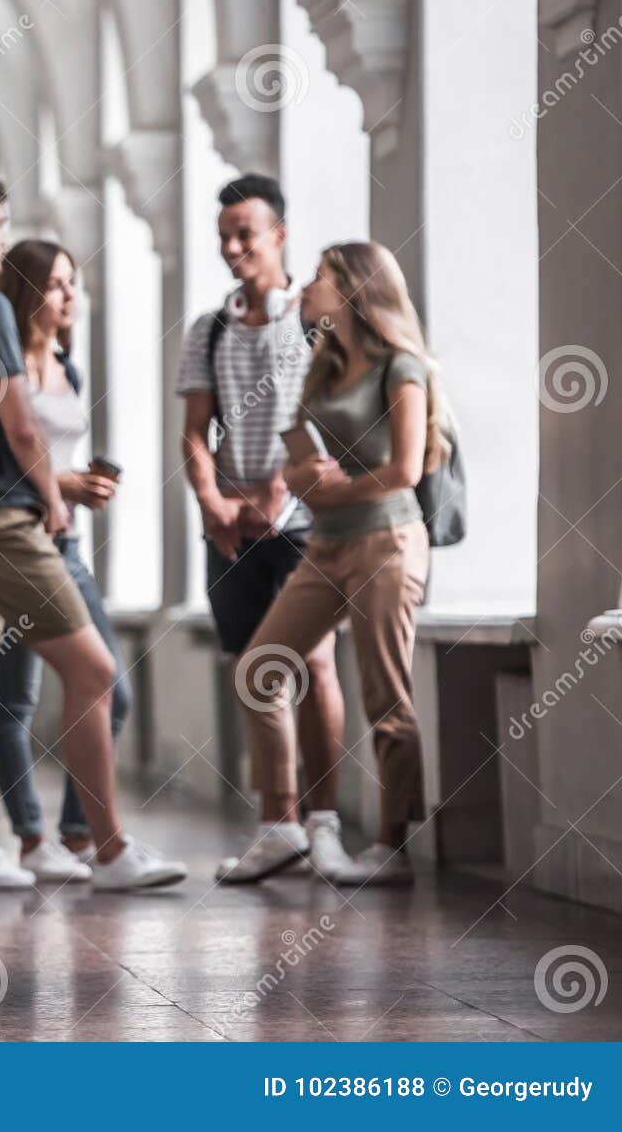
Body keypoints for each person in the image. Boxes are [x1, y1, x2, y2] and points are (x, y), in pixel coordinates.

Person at [0, 165, 187, 893]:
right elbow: (20, 422)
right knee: (94, 672)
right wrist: (53, 499)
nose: (2, 241)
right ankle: (111, 848)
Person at [220, 242, 441, 888]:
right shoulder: (326, 362)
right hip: (326, 544)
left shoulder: (401, 366)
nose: (307, 287)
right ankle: (290, 827)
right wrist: (299, 475)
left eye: (319, 277)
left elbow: (405, 468)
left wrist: (332, 489)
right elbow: (298, 454)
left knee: (385, 695)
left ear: (352, 290)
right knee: (260, 665)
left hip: (385, 540)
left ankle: (393, 843)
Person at [176, 174, 350, 882]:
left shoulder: (315, 323)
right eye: (224, 235)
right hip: (231, 532)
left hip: (309, 525)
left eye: (246, 232)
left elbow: (326, 421)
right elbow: (193, 433)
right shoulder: (208, 330)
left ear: (279, 234)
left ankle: (325, 823)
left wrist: (278, 491)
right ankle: (277, 825)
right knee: (256, 671)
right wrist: (213, 504)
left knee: (313, 664)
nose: (233, 246)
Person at [0, 239, 133, 883]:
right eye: (57, 284)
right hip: (19, 542)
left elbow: (55, 454)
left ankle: (73, 832)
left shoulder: (68, 369)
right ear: (26, 293)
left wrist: (82, 486)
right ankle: (31, 838)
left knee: (113, 695)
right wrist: (63, 487)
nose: (71, 297)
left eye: (74, 284)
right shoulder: (1, 367)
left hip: (67, 545)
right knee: (17, 699)